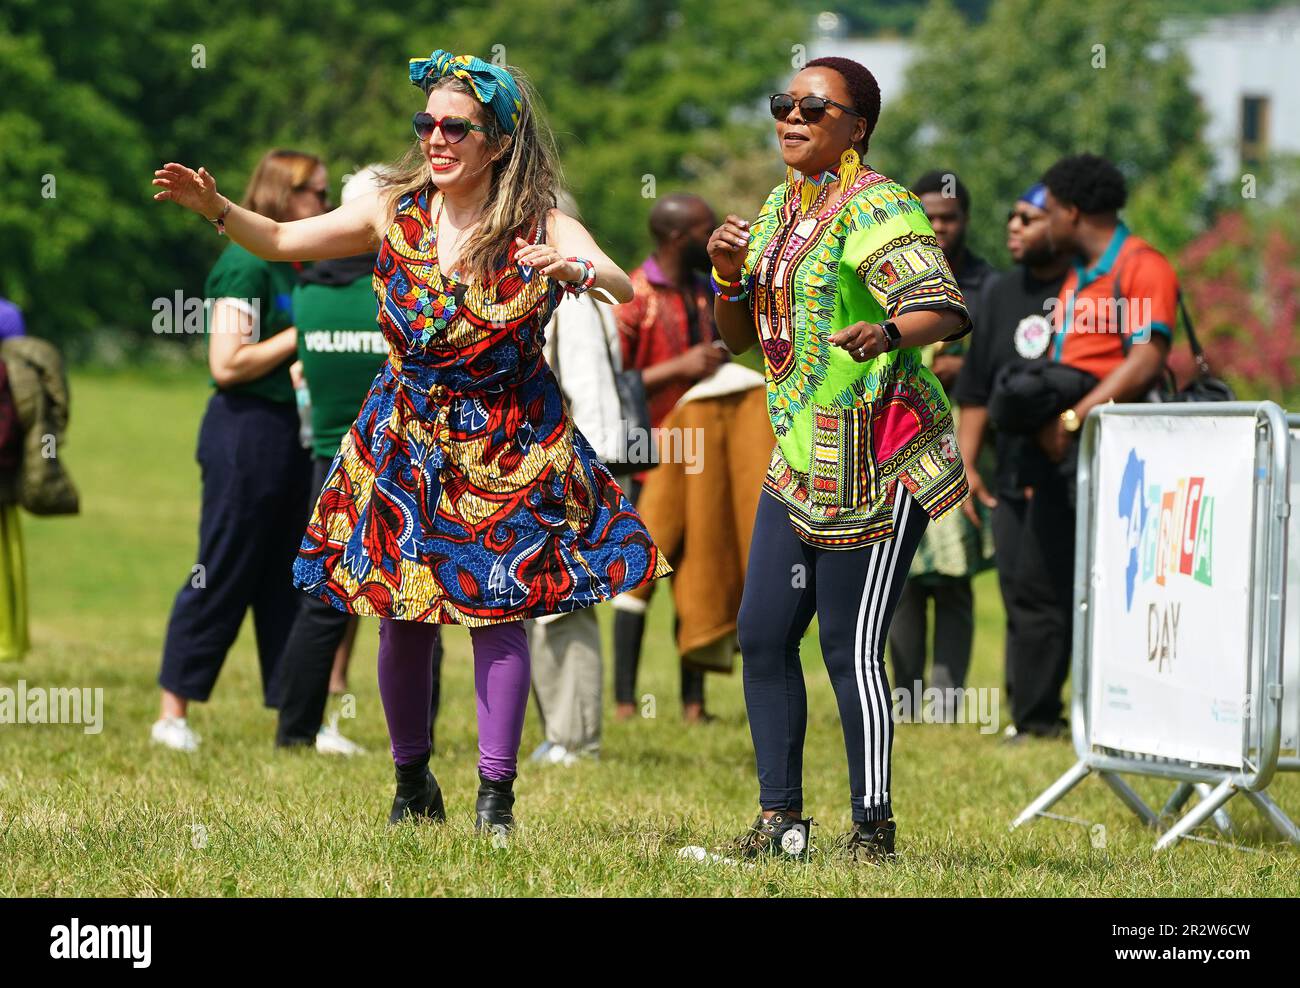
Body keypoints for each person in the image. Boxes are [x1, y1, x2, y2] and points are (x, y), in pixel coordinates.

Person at [153, 50, 671, 833]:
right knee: (402, 613)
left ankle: (495, 796)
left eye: (454, 126)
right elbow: (283, 242)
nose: (435, 137)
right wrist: (217, 208)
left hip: (507, 440)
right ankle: (410, 783)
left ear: (497, 141)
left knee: (499, 612)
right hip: (405, 439)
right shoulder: (393, 210)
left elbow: (620, 282)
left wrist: (569, 268)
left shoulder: (539, 222)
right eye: (425, 122)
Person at [709, 56, 970, 862]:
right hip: (798, 463)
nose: (792, 116)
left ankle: (874, 829)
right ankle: (780, 820)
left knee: (847, 648)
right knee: (760, 633)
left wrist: (889, 331)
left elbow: (944, 308)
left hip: (879, 458)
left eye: (813, 108)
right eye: (783, 101)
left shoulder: (880, 205)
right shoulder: (780, 207)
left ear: (856, 127)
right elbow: (741, 340)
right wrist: (726, 279)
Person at [993, 152, 1177, 739]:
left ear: (1072, 212)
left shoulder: (1142, 266)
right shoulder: (1077, 274)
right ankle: (1038, 718)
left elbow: (1147, 359)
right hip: (1061, 448)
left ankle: (1124, 715)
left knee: (1114, 587)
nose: (1042, 224)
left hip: (1112, 447)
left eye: (1048, 212)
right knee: (1039, 580)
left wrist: (1075, 416)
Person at [152, 150, 328, 752]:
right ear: (282, 194)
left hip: (289, 431)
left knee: (288, 577)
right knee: (222, 566)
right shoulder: (243, 264)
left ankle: (295, 719)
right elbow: (227, 364)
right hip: (243, 431)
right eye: (313, 194)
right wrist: (302, 336)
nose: (322, 206)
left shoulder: (301, 265)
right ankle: (172, 712)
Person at [272, 165, 445, 757]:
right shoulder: (397, 294)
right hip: (402, 456)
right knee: (423, 599)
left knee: (322, 602)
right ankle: (420, 738)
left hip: (327, 461)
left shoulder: (310, 297)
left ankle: (294, 729)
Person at [951, 184, 1071, 736]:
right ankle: (1031, 713)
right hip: (1014, 468)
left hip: (1077, 467)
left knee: (1057, 592)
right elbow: (974, 388)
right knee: (1021, 588)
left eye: (1029, 217)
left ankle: (1047, 714)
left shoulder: (1087, 292)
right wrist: (969, 465)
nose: (1014, 226)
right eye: (1011, 216)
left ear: (1065, 222)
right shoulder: (999, 292)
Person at [888, 170, 997, 708]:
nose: (938, 226)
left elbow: (1003, 362)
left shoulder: (988, 286)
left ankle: (949, 697)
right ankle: (904, 694)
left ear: (966, 221)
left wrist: (966, 369)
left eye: (949, 218)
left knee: (953, 575)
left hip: (963, 445)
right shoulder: (889, 275)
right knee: (901, 568)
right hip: (899, 438)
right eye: (928, 217)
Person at [612, 192, 722, 724]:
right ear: (679, 237)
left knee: (695, 572)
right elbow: (615, 381)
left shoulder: (706, 291)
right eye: (706, 227)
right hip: (649, 453)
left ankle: (694, 703)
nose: (715, 233)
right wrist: (682, 365)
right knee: (640, 577)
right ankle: (626, 702)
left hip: (699, 452)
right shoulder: (634, 294)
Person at [526, 190, 624, 766]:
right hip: (540, 463)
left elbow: (590, 397)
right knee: (541, 603)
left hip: (566, 468)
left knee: (565, 605)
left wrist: (580, 480)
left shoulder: (572, 302)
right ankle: (558, 732)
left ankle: (574, 739)